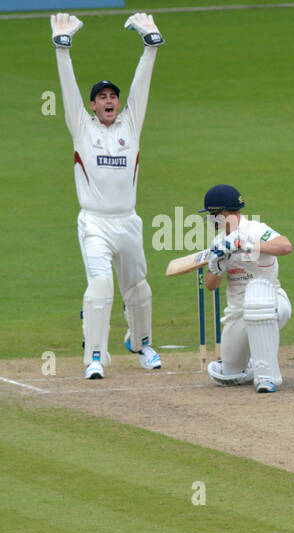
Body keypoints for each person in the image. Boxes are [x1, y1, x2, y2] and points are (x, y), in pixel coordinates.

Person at [51, 12, 166, 379]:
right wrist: (62, 50)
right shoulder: (82, 128)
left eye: (113, 95)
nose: (109, 100)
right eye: (102, 97)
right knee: (100, 286)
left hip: (127, 221)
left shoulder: (130, 126)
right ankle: (96, 357)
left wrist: (150, 48)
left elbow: (141, 87)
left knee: (139, 289)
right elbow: (68, 91)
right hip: (96, 223)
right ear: (92, 106)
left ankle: (142, 344)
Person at [200, 185, 293, 394]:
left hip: (273, 302)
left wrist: (248, 245)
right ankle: (251, 364)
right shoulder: (218, 242)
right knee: (230, 373)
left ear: (222, 214)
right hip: (237, 314)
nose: (210, 220)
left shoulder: (256, 230)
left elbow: (285, 246)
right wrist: (215, 265)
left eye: (212, 215)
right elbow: (210, 286)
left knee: (257, 305)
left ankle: (267, 378)